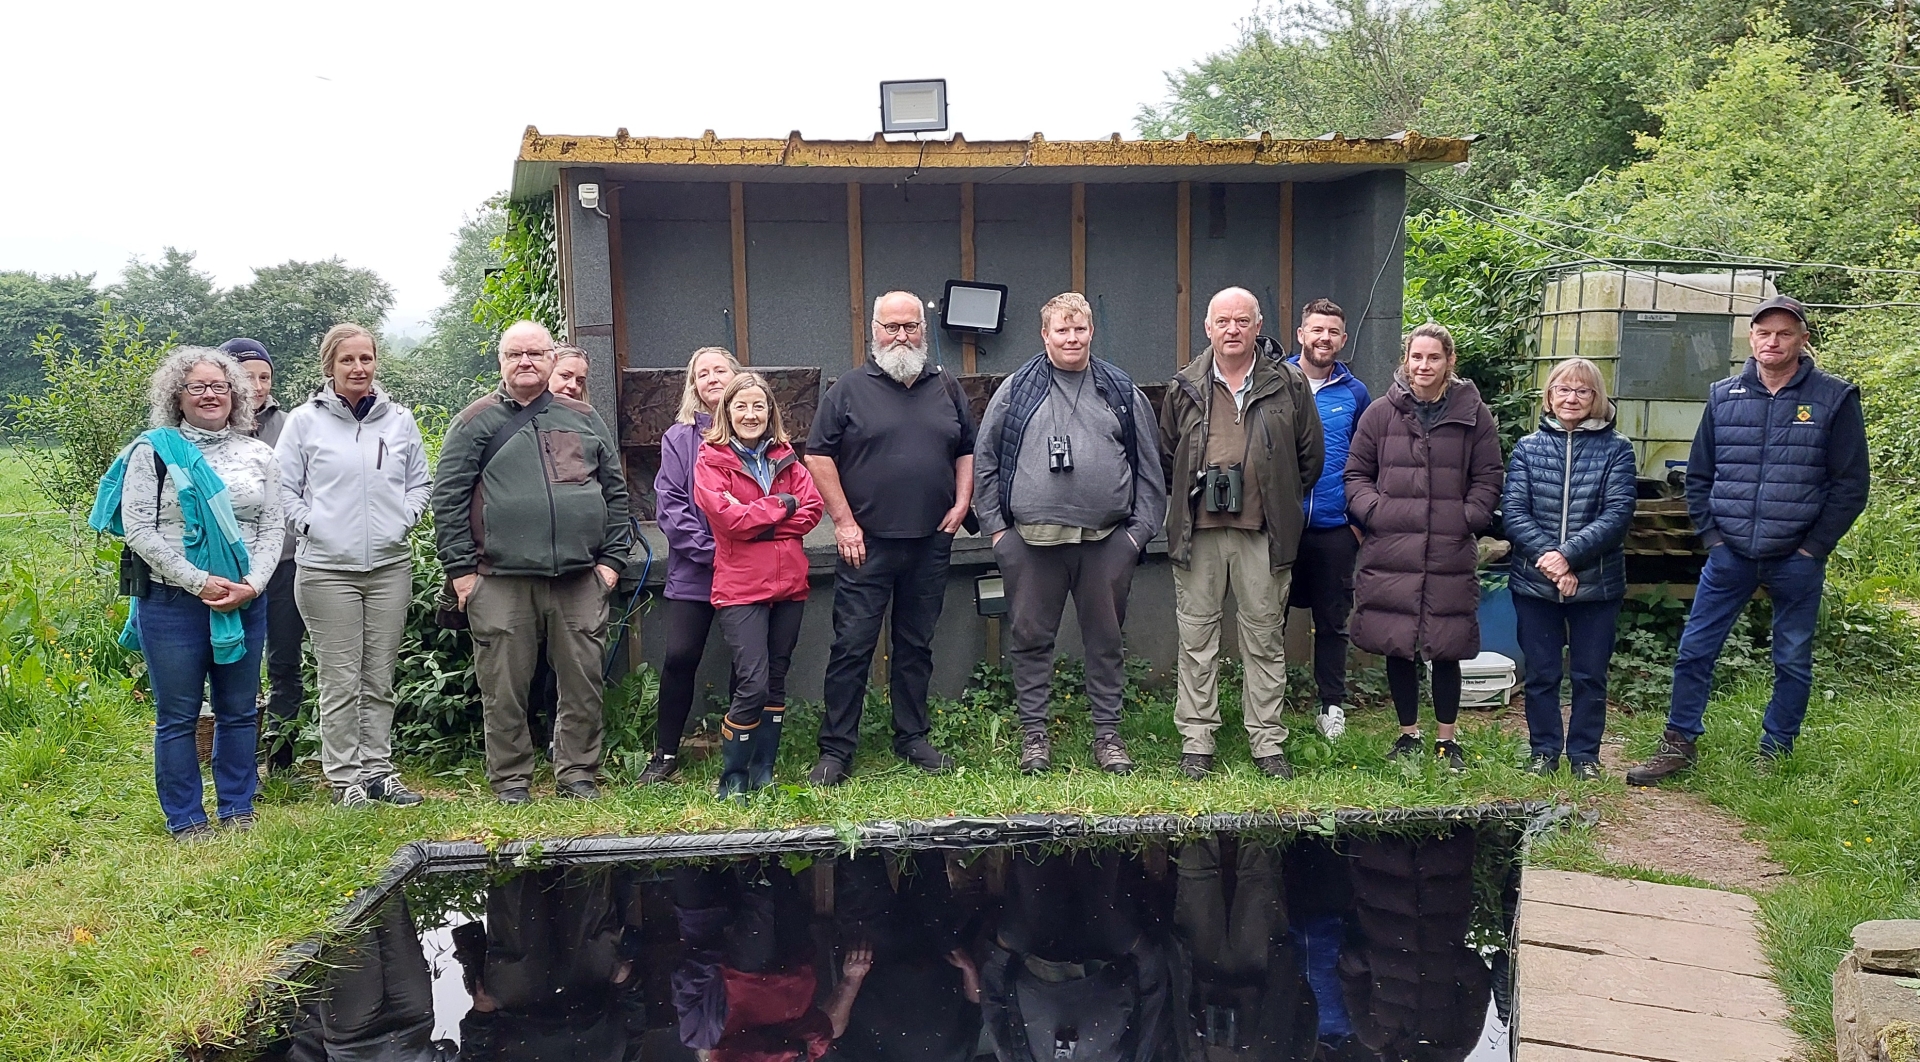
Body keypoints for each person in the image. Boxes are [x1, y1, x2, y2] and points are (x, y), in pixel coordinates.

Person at [1627, 295, 1870, 783]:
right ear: (1751, 338)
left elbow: (1850, 486)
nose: (1772, 341)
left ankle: (1774, 752)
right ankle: (1678, 744)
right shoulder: (1724, 395)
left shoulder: (1834, 398)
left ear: (1803, 339)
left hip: (1796, 557)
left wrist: (1813, 548)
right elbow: (1698, 476)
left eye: (1784, 333)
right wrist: (1713, 539)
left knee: (1792, 658)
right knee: (1695, 649)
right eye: (1764, 332)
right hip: (1730, 554)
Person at [431, 321, 633, 804]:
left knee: (583, 680)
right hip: (498, 578)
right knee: (504, 687)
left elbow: (616, 491)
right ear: (500, 360)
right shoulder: (473, 421)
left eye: (536, 353)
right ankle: (511, 781)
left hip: (580, 577)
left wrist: (611, 562)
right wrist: (461, 572)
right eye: (515, 354)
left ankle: (579, 773)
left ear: (550, 359)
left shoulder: (583, 417)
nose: (526, 362)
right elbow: (448, 498)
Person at [973, 292, 1168, 776]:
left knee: (1105, 641)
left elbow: (1150, 466)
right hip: (1031, 544)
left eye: (1080, 329)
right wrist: (999, 533)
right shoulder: (1017, 389)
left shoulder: (1119, 388)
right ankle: (1034, 737)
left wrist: (1137, 536)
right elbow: (986, 461)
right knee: (1030, 639)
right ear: (1045, 335)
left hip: (1106, 542)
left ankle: (1108, 736)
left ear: (1091, 331)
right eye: (1062, 329)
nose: (1072, 337)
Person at [96, 347, 283, 839]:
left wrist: (252, 585)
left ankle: (238, 809)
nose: (210, 395)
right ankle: (185, 818)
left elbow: (273, 528)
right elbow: (139, 529)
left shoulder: (259, 454)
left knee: (239, 710)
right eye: (197, 386)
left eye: (220, 386)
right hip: (172, 603)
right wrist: (199, 582)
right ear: (177, 395)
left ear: (236, 395)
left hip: (245, 599)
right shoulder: (152, 452)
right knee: (177, 715)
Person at [805, 291, 977, 785]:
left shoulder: (946, 386)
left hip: (930, 541)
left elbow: (966, 447)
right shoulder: (849, 390)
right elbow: (818, 456)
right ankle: (836, 751)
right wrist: (842, 522)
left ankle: (912, 738)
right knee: (852, 646)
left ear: (924, 329)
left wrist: (962, 502)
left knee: (916, 645)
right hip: (866, 543)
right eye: (891, 327)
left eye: (910, 326)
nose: (901, 336)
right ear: (873, 331)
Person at [1159, 287, 1323, 781]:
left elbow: (1309, 459)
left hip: (1262, 533)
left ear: (1258, 326)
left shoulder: (1288, 384)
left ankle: (1267, 741)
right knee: (1197, 639)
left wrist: (1272, 492)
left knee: (1265, 639)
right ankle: (1197, 739)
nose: (1233, 329)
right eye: (1223, 321)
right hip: (1198, 532)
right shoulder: (1183, 386)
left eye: (1242, 321)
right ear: (1207, 328)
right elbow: (1169, 455)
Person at [276, 324, 432, 807]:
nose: (359, 368)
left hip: (388, 566)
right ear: (330, 366)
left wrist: (400, 522)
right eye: (348, 360)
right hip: (326, 570)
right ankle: (346, 779)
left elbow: (420, 485)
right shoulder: (304, 422)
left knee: (379, 677)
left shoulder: (399, 420)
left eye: (366, 359)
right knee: (341, 678)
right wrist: (313, 526)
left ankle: (379, 772)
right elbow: (281, 490)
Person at [1345, 324, 1503, 771]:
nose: (1424, 366)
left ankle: (1447, 740)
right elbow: (1355, 474)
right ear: (1406, 359)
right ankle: (1407, 734)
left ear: (1449, 361)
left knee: (1447, 642)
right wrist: (1376, 513)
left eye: (1434, 358)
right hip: (1392, 547)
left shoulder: (1475, 416)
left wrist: (1465, 518)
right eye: (1417, 357)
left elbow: (1489, 478)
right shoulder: (1380, 414)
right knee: (1399, 642)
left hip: (1448, 549)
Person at [1503, 357, 1638, 780]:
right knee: (1541, 674)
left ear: (1597, 398)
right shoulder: (1528, 448)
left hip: (1596, 584)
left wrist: (1570, 557)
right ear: (1549, 396)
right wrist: (1552, 561)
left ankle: (1585, 756)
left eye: (1583, 391)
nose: (1572, 398)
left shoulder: (1618, 448)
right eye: (1563, 389)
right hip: (1535, 584)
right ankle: (1543, 750)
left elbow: (1617, 514)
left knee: (1589, 675)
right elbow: (1513, 511)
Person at [694, 372, 825, 799]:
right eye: (741, 406)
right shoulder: (710, 461)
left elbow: (812, 509)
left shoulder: (785, 457)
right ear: (726, 412)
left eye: (759, 406)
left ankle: (763, 770)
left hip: (790, 583)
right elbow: (729, 521)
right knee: (752, 680)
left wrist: (760, 517)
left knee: (777, 679)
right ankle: (733, 777)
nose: (750, 415)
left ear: (770, 412)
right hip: (740, 588)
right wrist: (781, 507)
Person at [641, 346, 741, 785]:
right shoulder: (679, 439)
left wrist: (741, 558)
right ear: (694, 387)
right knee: (680, 657)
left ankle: (743, 754)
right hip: (694, 570)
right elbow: (671, 507)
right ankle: (664, 755)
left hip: (749, 573)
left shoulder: (760, 435)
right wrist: (712, 554)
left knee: (749, 661)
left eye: (721, 370)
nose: (712, 378)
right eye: (703, 374)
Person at [218, 337, 307, 775]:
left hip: (287, 562)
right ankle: (239, 753)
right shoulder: (211, 427)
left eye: (265, 377)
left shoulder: (293, 425)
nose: (257, 386)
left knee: (285, 659)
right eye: (247, 377)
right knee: (236, 658)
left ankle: (282, 751)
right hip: (229, 566)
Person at [1284, 299, 1371, 740]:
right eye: (1316, 330)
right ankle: (1268, 707)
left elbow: (1370, 460)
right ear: (1301, 334)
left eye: (1333, 331)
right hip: (1282, 526)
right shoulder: (1276, 381)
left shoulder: (1355, 393)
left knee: (1333, 621)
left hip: (1337, 527)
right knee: (1269, 618)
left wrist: (1358, 524)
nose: (1324, 338)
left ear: (1343, 339)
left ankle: (1331, 706)